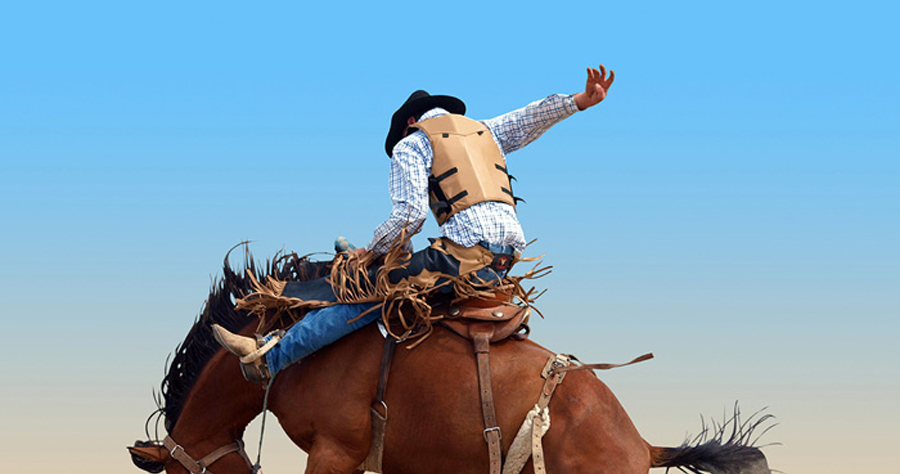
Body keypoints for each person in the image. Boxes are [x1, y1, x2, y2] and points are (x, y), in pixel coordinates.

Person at [213, 65, 615, 382]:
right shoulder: (482, 131)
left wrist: (368, 253)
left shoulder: (413, 144)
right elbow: (529, 119)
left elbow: (409, 217)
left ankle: (269, 356)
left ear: (408, 123)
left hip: (465, 256)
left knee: (367, 289)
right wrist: (580, 99)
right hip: (507, 258)